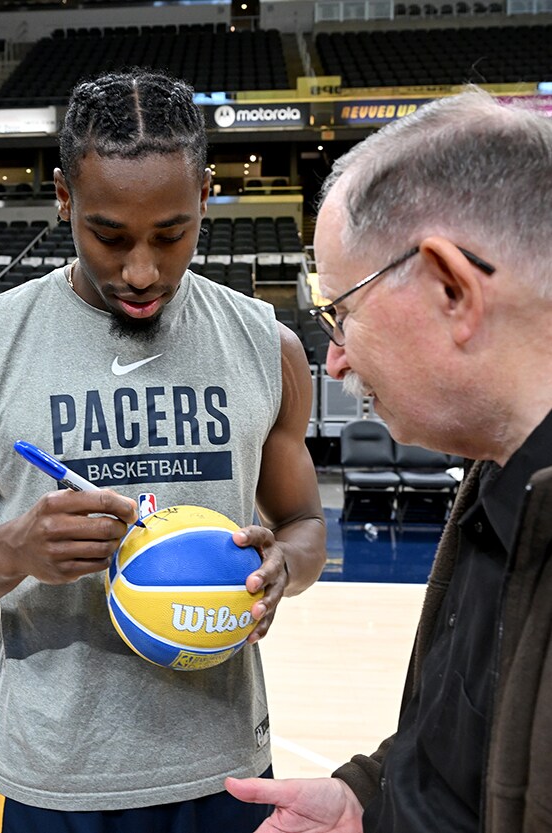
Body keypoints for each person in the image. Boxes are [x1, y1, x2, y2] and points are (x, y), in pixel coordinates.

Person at [0, 69, 327, 833]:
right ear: (63, 200)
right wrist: (9, 549)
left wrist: (284, 566)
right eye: (110, 236)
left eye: (172, 234)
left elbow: (307, 525)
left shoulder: (267, 345)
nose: (142, 271)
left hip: (227, 775)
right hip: (51, 782)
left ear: (208, 195)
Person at [225, 88, 552, 832]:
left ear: (451, 289)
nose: (334, 358)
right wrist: (370, 799)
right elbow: (473, 754)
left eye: (341, 311)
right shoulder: (499, 479)